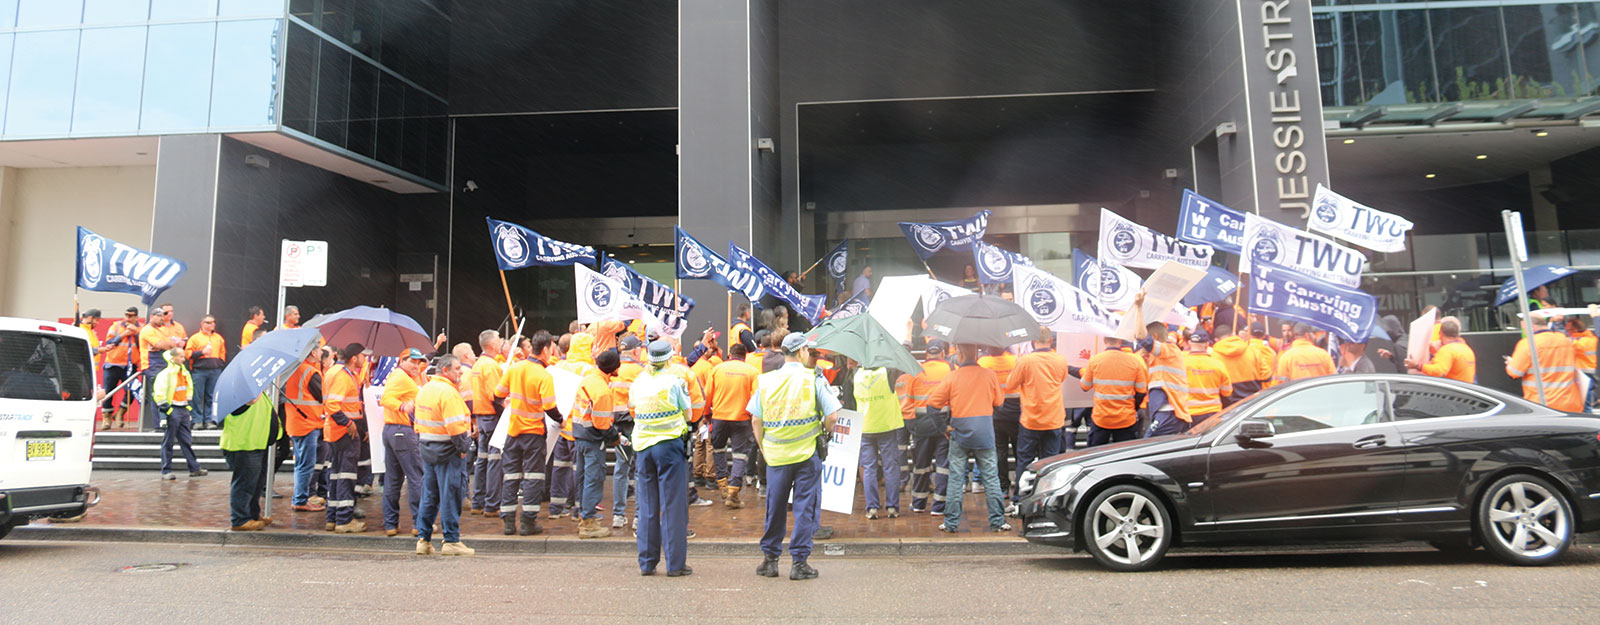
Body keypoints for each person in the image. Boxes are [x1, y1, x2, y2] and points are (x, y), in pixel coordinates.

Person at [750, 333, 841, 580]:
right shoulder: (813, 379)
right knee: (804, 508)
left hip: (776, 456)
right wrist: (824, 432)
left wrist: (763, 447)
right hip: (805, 455)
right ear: (802, 352)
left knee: (775, 507)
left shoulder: (766, 381)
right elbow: (833, 415)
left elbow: (756, 419)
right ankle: (799, 563)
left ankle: (770, 560)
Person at [631, 340, 697, 576]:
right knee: (673, 506)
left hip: (643, 447)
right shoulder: (674, 381)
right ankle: (675, 564)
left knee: (648, 505)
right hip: (669, 447)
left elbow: (632, 407)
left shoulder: (638, 381)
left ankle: (647, 563)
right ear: (669, 358)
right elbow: (688, 413)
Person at [926, 343, 1008, 534]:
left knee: (955, 478)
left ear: (960, 356)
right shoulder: (989, 375)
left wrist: (943, 427)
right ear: (976, 354)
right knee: (991, 477)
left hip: (959, 432)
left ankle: (951, 522)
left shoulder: (952, 377)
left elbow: (932, 406)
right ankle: (998, 521)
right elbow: (1000, 404)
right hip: (985, 432)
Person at [496, 331, 562, 536]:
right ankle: (527, 522)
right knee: (534, 478)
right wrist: (561, 420)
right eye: (551, 348)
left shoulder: (515, 368)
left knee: (511, 476)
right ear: (545, 350)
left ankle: (508, 522)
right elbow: (550, 407)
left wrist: (507, 405)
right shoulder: (544, 375)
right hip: (533, 433)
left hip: (513, 432)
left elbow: (497, 395)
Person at [414, 354, 475, 556]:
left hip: (428, 447)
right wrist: (465, 447)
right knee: (451, 495)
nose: (461, 371)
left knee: (429, 495)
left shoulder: (426, 389)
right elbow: (456, 428)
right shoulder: (448, 393)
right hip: (448, 450)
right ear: (446, 371)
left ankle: (423, 539)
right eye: (457, 368)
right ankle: (451, 540)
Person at [1007, 327, 1070, 494]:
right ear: (1050, 341)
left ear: (1033, 342)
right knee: (1050, 462)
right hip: (1054, 418)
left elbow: (1011, 385)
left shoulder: (1025, 361)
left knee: (1024, 461)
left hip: (1031, 419)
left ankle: (1019, 499)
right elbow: (1062, 378)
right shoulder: (1060, 359)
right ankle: (1047, 497)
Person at [377, 349, 428, 537]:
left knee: (393, 479)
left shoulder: (403, 376)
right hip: (403, 430)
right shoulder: (401, 377)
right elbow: (385, 399)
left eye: (418, 362)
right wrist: (402, 406)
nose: (416, 366)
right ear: (402, 361)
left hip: (393, 430)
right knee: (416, 477)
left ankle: (391, 524)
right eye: (412, 362)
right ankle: (419, 523)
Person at [571, 348, 621, 539]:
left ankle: (584, 515)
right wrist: (614, 437)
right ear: (613, 368)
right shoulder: (603, 391)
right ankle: (589, 523)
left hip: (580, 435)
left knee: (583, 477)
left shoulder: (589, 380)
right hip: (593, 439)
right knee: (594, 478)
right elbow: (602, 423)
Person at [899, 341, 953, 514]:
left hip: (921, 425)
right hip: (944, 424)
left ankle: (918, 503)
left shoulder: (915, 371)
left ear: (926, 354)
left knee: (921, 465)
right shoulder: (951, 370)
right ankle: (939, 506)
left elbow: (906, 401)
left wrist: (911, 424)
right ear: (943, 354)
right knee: (943, 466)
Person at [706, 342, 760, 509]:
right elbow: (756, 397)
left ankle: (723, 487)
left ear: (729, 355)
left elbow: (708, 394)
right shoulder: (752, 371)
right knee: (740, 456)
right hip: (741, 418)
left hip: (719, 417)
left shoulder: (717, 369)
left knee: (719, 451)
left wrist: (706, 414)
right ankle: (733, 492)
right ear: (744, 357)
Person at [323, 343, 368, 533]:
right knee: (346, 475)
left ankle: (333, 518)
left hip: (335, 431)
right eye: (362, 356)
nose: (364, 359)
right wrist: (349, 424)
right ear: (354, 358)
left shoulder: (338, 373)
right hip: (344, 431)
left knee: (336, 475)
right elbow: (333, 405)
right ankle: (344, 520)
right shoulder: (342, 376)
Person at [1070, 337, 1148, 446]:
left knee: (1096, 456)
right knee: (1124, 455)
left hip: (1101, 418)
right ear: (1120, 342)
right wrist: (1133, 408)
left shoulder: (1095, 360)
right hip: (1125, 418)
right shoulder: (1135, 361)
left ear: (1105, 341)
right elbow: (1141, 391)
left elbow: (1084, 386)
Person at [220, 392, 280, 531]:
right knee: (245, 483)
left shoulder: (259, 393)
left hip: (257, 443)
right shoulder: (239, 393)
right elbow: (248, 403)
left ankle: (252, 514)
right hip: (243, 445)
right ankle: (239, 519)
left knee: (256, 483)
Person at [1133, 294, 1192, 437]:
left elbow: (1142, 337)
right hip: (1169, 412)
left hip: (1169, 412)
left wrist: (1139, 307)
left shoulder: (1169, 349)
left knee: (1146, 446)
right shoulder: (1164, 355)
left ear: (1154, 337)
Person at [854, 360, 904, 519]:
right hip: (886, 426)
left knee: (869, 468)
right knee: (891, 467)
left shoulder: (857, 374)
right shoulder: (887, 372)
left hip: (865, 427)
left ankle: (872, 508)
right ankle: (892, 507)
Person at [1505, 313, 1583, 413]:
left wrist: (1510, 363)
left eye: (1524, 328)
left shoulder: (1528, 343)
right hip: (1570, 402)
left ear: (1531, 327)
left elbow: (1515, 372)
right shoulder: (1565, 340)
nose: (1524, 331)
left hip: (1542, 404)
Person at [608, 335, 646, 528]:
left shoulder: (614, 371)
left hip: (617, 425)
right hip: (636, 423)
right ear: (637, 351)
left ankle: (618, 515)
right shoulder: (642, 372)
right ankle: (638, 517)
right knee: (639, 470)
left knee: (621, 468)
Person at [152, 347, 207, 479]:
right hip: (173, 409)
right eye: (181, 356)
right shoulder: (166, 374)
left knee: (186, 440)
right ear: (173, 358)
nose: (184, 359)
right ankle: (166, 471)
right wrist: (167, 409)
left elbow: (188, 389)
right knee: (169, 441)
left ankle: (194, 468)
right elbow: (159, 392)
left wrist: (187, 404)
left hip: (182, 409)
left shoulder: (183, 372)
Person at [468, 330, 506, 516]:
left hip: (482, 416)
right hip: (492, 417)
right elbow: (496, 396)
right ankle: (491, 504)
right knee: (494, 460)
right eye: (498, 340)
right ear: (492, 344)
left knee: (482, 459)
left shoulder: (478, 364)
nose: (501, 342)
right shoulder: (490, 366)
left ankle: (478, 501)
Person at [283, 350, 326, 511]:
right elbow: (324, 396)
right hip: (307, 423)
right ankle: (300, 500)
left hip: (298, 423)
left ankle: (300, 497)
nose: (321, 352)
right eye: (319, 349)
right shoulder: (310, 372)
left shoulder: (295, 369)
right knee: (306, 465)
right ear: (313, 352)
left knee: (301, 464)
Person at [977, 346, 1019, 497]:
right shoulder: (1015, 360)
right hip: (1016, 411)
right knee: (1018, 451)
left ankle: (1003, 487)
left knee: (1000, 452)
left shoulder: (983, 362)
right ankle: (1020, 487)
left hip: (995, 412)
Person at [139, 303, 187, 430]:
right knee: (158, 394)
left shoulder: (159, 330)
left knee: (166, 392)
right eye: (160, 316)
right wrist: (167, 345)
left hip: (162, 363)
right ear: (152, 317)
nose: (162, 319)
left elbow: (167, 345)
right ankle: (158, 424)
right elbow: (162, 345)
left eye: (163, 316)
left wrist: (166, 345)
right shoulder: (148, 329)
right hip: (151, 365)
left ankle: (165, 421)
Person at [99, 307, 141, 430]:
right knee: (108, 391)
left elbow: (142, 343)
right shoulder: (116, 326)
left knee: (132, 391)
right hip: (113, 364)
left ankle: (121, 413)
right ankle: (107, 418)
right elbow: (109, 342)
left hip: (130, 365)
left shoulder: (141, 328)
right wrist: (124, 334)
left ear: (136, 317)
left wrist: (136, 332)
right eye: (126, 315)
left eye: (131, 316)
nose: (128, 318)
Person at [1183, 331, 1232, 426]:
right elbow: (1227, 391)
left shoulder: (1182, 363)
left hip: (1188, 412)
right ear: (1207, 344)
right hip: (1212, 411)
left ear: (1190, 343)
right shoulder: (1218, 364)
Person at [185, 315, 226, 429]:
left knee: (211, 396)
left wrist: (219, 363)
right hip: (199, 370)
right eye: (209, 323)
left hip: (214, 370)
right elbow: (188, 354)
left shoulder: (218, 338)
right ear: (202, 324)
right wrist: (202, 352)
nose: (212, 325)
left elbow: (222, 353)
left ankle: (209, 420)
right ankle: (197, 420)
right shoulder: (195, 338)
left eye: (213, 322)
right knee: (197, 396)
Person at [1209, 324, 1267, 403]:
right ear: (1233, 335)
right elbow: (1266, 375)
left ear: (1216, 340)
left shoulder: (1213, 356)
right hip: (1253, 400)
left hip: (1228, 402)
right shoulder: (1253, 351)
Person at [1407, 317, 1476, 383]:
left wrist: (1417, 366)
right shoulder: (1467, 349)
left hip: (1453, 391)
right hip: (1465, 390)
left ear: (1441, 333)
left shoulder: (1447, 350)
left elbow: (1439, 372)